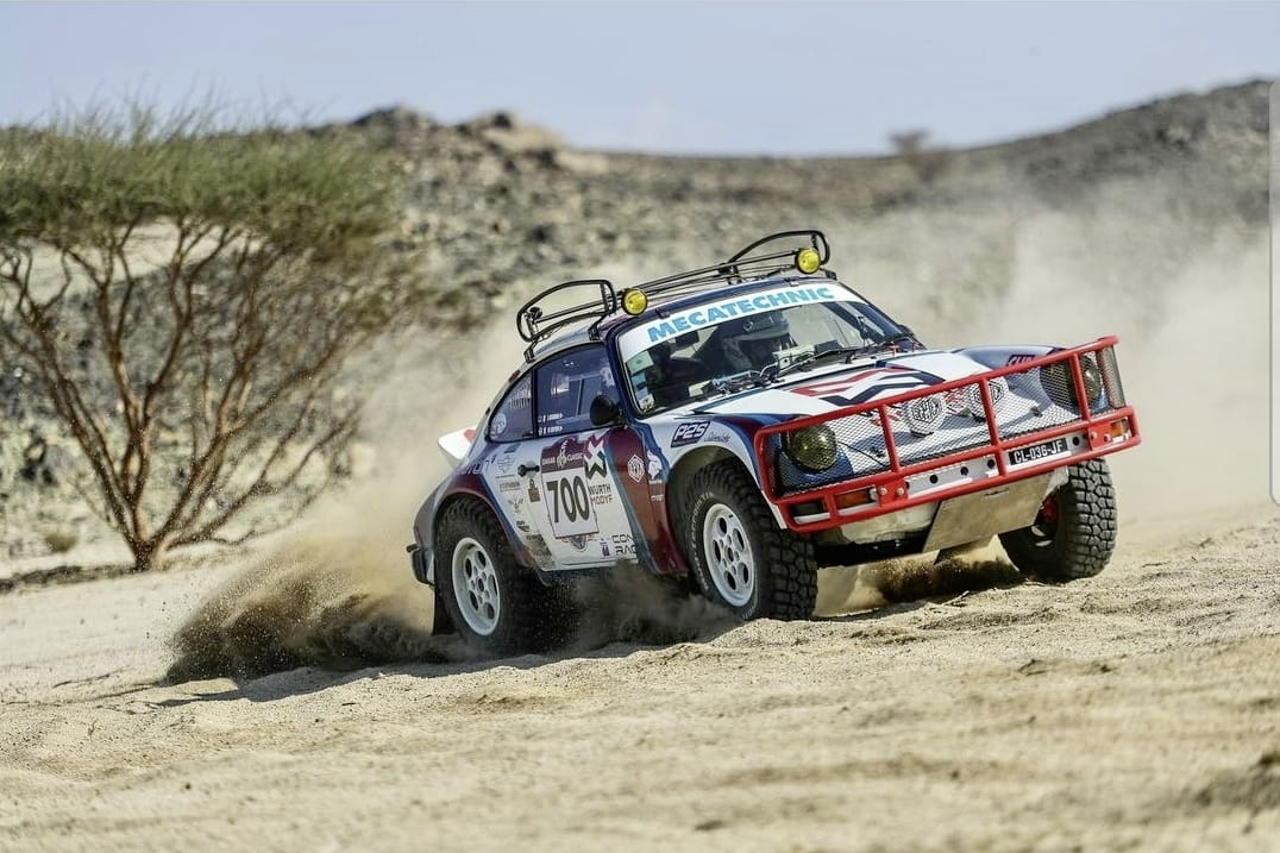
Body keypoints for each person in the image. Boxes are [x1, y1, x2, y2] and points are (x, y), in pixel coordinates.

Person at [701, 311, 794, 375]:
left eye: (777, 340)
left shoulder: (799, 370)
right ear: (732, 347)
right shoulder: (716, 393)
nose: (774, 348)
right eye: (762, 343)